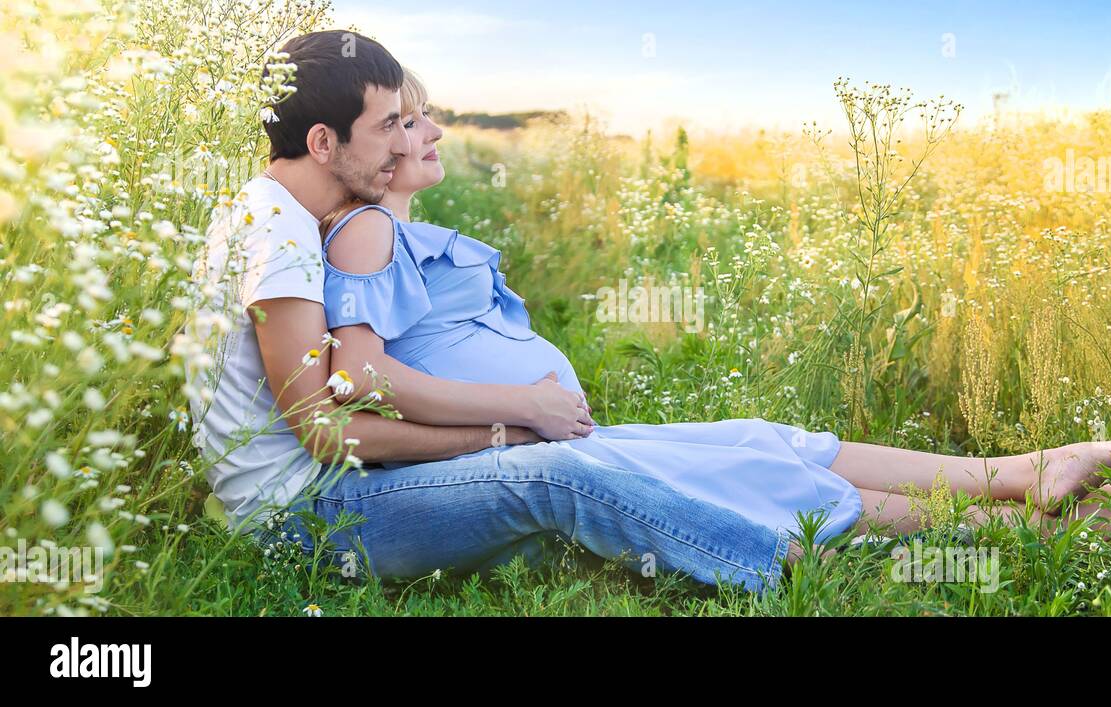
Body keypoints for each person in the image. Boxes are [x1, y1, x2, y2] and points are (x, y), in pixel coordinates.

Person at [304, 66, 1111, 578]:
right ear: (352, 144)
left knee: (761, 437)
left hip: (541, 435)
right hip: (526, 446)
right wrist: (520, 411)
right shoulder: (368, 228)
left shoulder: (403, 231)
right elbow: (358, 378)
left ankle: (1018, 471)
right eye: (405, 121)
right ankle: (1003, 516)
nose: (431, 129)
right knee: (753, 470)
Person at [185, 30, 813, 596]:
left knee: (583, 495)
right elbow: (327, 433)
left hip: (338, 494)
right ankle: (790, 568)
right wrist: (503, 432)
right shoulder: (279, 240)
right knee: (554, 475)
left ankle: (788, 523)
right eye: (386, 127)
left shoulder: (268, 211)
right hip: (307, 520)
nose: (403, 144)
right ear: (323, 141)